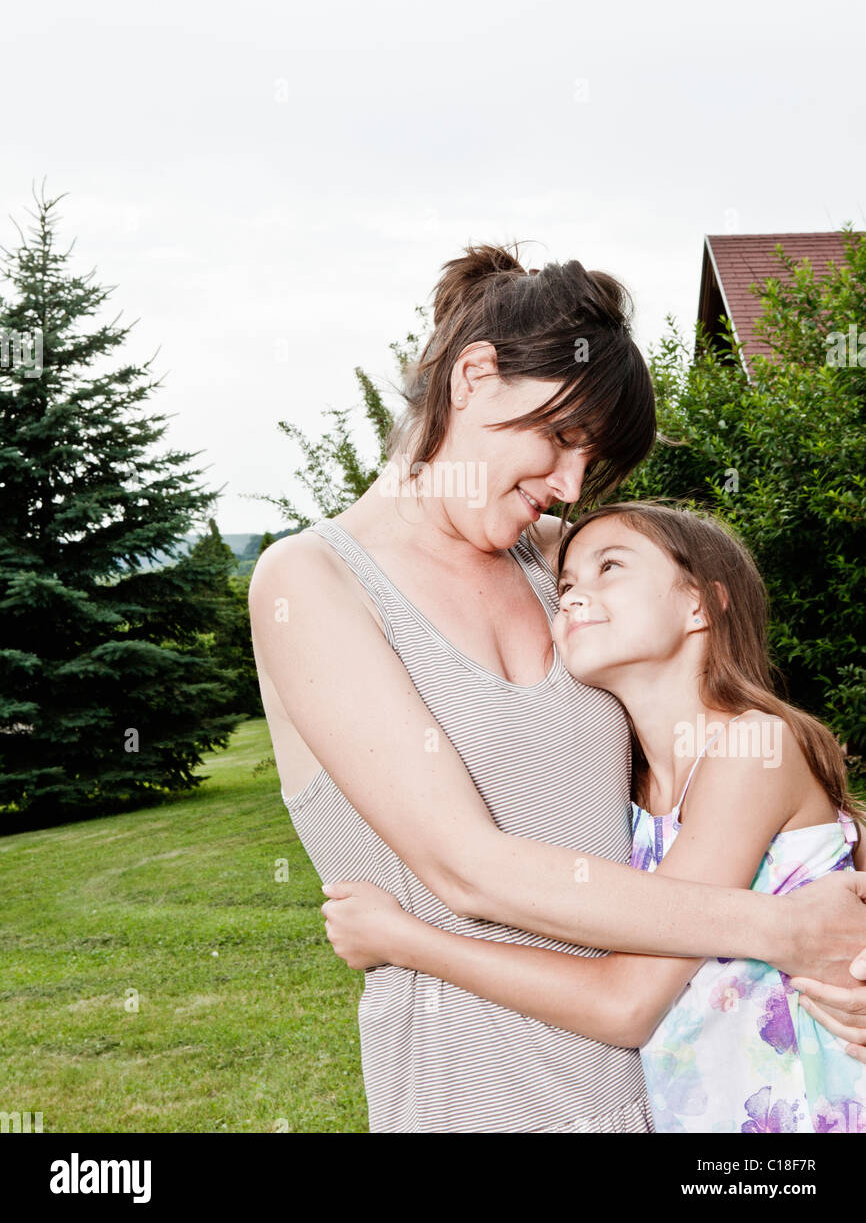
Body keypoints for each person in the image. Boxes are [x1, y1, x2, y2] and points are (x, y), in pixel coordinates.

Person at [249, 241, 866, 1134]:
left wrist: (848, 926)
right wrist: (779, 930)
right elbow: (468, 870)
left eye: (593, 457)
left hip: (664, 1096)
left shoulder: (562, 572)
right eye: (561, 437)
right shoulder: (312, 582)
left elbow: (731, 763)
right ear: (475, 375)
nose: (571, 485)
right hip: (472, 1106)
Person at [323, 501, 866, 1132]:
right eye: (567, 585)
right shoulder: (624, 789)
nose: (576, 597)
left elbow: (627, 1003)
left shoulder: (753, 749)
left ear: (701, 605)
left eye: (611, 567)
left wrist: (408, 942)